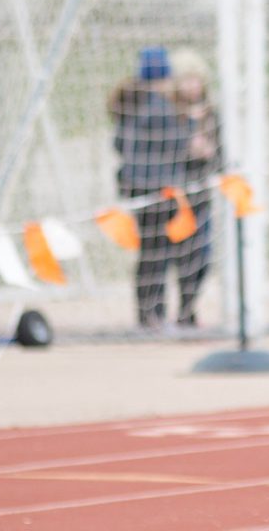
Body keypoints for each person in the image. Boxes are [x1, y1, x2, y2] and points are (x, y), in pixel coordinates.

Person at [109, 46, 191, 328]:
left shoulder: (130, 103)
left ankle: (148, 312)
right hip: (158, 191)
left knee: (148, 252)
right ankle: (152, 312)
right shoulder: (160, 107)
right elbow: (178, 145)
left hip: (135, 188)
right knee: (158, 254)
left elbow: (118, 144)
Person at [171, 48, 222, 326]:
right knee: (174, 255)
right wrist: (188, 149)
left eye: (196, 80)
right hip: (175, 196)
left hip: (201, 194)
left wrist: (210, 154)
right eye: (186, 80)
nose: (192, 86)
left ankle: (187, 308)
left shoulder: (210, 114)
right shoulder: (171, 115)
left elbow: (221, 152)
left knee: (201, 257)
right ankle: (160, 313)